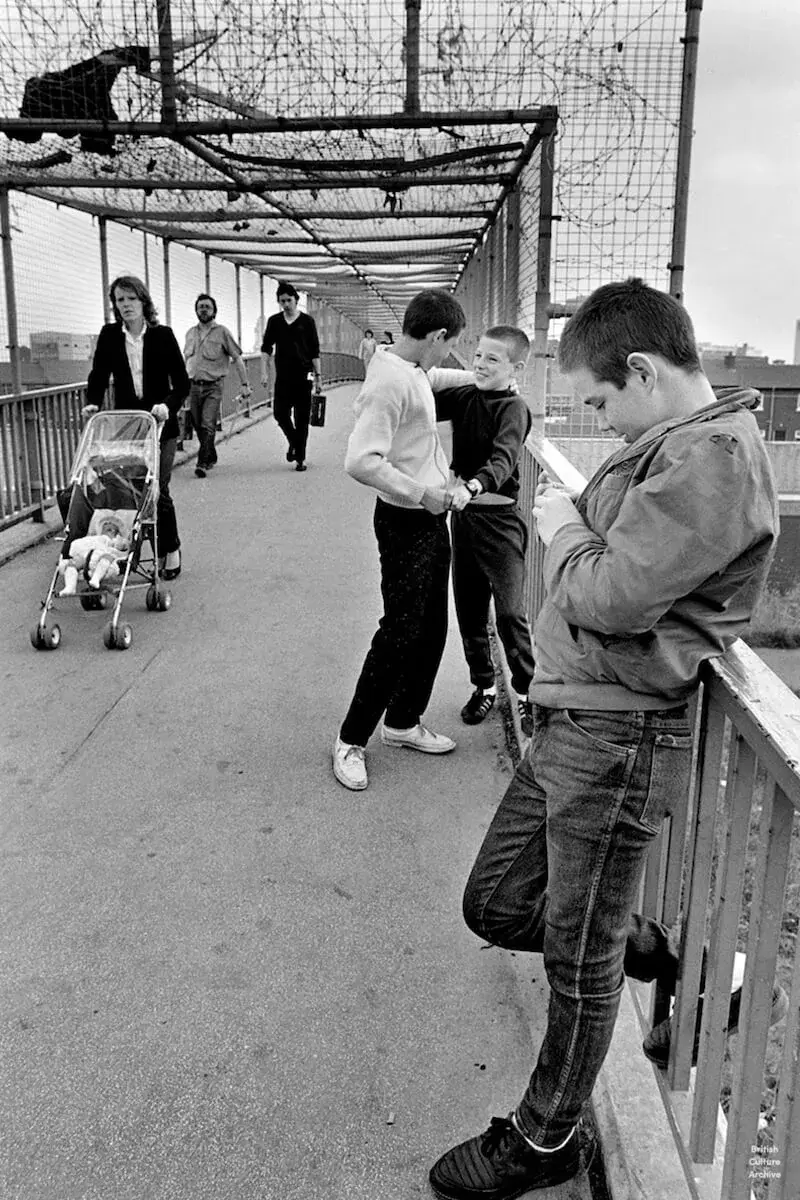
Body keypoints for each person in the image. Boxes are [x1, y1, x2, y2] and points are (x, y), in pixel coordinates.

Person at [428, 278, 780, 1199]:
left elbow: (615, 595)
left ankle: (545, 1143)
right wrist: (587, 537)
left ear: (642, 370)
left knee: (579, 963)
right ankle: (683, 959)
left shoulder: (713, 456)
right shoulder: (677, 445)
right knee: (498, 902)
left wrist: (560, 528)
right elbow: (618, 571)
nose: (600, 422)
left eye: (600, 402)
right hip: (582, 718)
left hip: (620, 737)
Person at [332, 289, 466, 792]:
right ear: (435, 336)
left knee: (431, 626)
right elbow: (360, 460)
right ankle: (350, 739)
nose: (448, 356)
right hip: (408, 520)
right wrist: (420, 493)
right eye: (448, 345)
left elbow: (434, 379)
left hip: (428, 517)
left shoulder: (410, 369)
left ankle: (403, 721)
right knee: (399, 631)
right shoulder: (390, 381)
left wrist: (490, 378)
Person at [434, 326, 536, 737]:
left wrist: (474, 484)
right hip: (464, 520)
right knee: (470, 612)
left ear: (517, 368)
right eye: (477, 355)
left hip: (499, 520)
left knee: (510, 612)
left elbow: (505, 458)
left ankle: (528, 695)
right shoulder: (465, 396)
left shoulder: (514, 408)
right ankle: (484, 686)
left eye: (492, 359)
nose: (479, 364)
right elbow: (418, 397)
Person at [85, 275, 189, 581]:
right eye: (119, 300)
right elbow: (99, 374)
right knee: (129, 491)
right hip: (128, 425)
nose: (126, 305)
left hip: (160, 424)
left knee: (159, 490)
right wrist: (93, 402)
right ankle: (127, 551)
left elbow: (182, 382)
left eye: (131, 299)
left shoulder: (163, 335)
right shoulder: (109, 336)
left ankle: (169, 549)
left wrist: (167, 405)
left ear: (143, 301)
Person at [184, 293, 252, 479]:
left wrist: (245, 384)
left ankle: (202, 463)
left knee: (207, 423)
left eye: (207, 306)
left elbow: (237, 358)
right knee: (198, 425)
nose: (203, 309)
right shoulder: (190, 333)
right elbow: (186, 360)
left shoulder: (222, 332)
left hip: (213, 386)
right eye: (200, 307)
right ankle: (210, 454)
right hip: (192, 386)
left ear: (214, 310)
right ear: (196, 310)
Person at [259, 281, 321, 472]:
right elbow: (266, 348)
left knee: (302, 418)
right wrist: (264, 371)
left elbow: (314, 352)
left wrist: (318, 377)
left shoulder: (307, 322)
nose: (286, 304)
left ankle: (300, 459)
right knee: (280, 413)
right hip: (283, 377)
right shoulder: (275, 322)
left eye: (289, 300)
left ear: (296, 300)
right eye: (282, 301)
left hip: (305, 376)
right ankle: (294, 442)